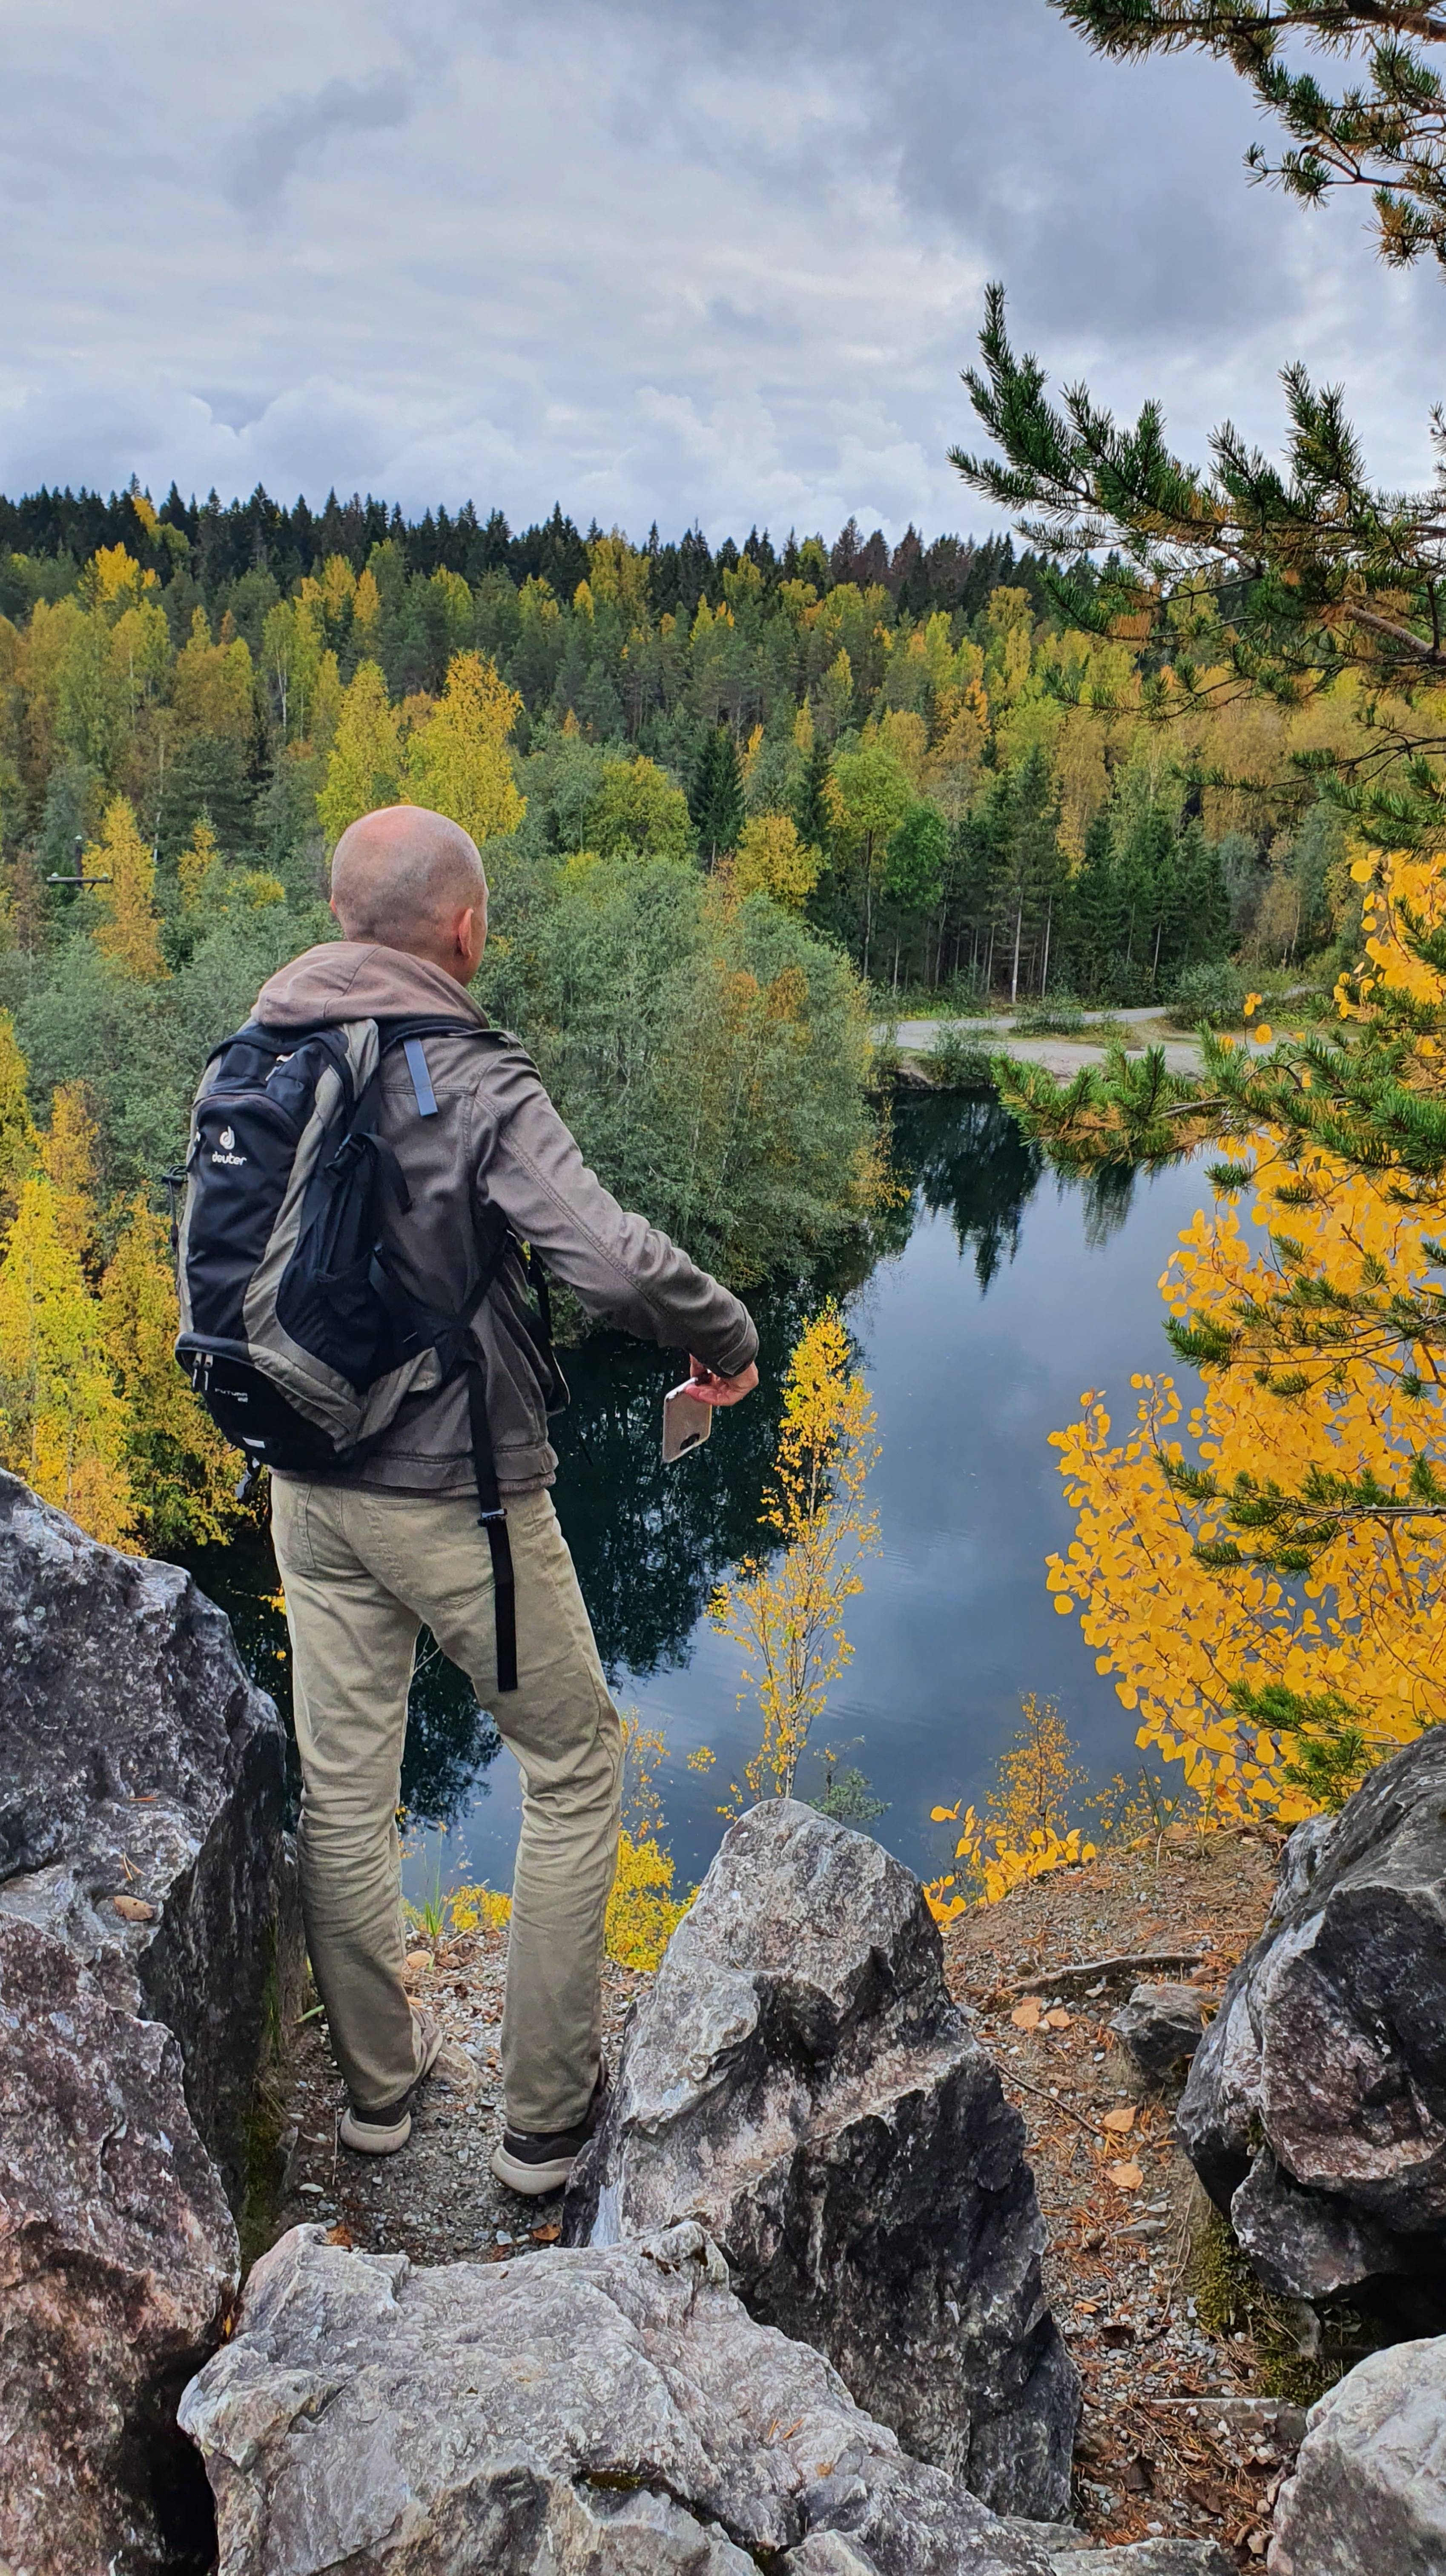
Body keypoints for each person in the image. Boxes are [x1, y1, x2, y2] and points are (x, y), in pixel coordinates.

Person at [254, 803, 758, 2193]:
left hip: (304, 1478)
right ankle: (542, 2124)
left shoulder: (264, 1049)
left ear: (340, 913)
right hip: (454, 1490)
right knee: (574, 1763)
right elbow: (608, 1259)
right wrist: (724, 1334)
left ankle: (376, 2098)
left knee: (343, 1791)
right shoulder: (467, 1072)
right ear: (467, 929)